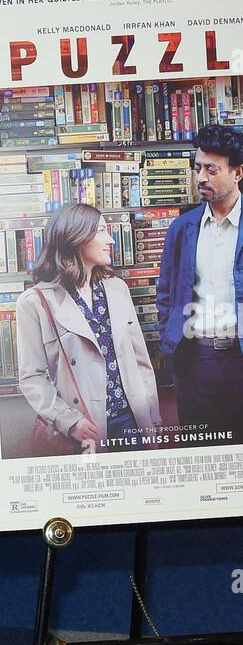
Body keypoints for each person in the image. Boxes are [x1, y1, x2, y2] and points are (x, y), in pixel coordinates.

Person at [15, 202, 161, 454]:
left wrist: (154, 419)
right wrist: (69, 421)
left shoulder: (118, 289)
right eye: (102, 231)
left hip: (133, 421)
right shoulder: (35, 302)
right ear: (76, 237)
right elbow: (32, 377)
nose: (111, 240)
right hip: (85, 426)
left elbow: (141, 363)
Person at [155, 124, 243, 442]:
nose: (201, 177)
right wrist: (170, 339)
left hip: (239, 357)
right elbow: (166, 291)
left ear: (238, 173)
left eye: (211, 169)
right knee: (202, 450)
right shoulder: (182, 228)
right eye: (197, 167)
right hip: (195, 360)